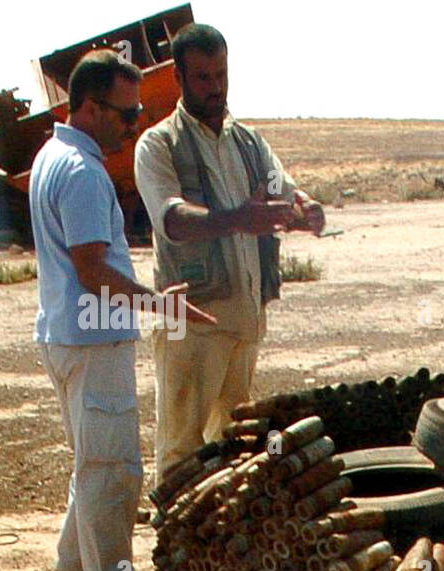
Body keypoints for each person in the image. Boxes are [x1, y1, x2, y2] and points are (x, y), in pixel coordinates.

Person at [30, 50, 213, 571]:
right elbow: (91, 270)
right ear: (88, 107)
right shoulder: (83, 172)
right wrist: (157, 304)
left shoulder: (52, 154)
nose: (133, 126)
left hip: (66, 336)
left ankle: (73, 565)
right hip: (93, 339)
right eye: (126, 114)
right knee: (112, 467)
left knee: (93, 455)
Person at [134, 23, 325, 481]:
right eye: (202, 77)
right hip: (193, 327)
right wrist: (240, 218)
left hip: (245, 323)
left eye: (221, 74)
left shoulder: (248, 142)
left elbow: (286, 190)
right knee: (181, 453)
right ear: (178, 78)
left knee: (236, 450)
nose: (215, 87)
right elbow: (173, 220)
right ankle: (175, 548)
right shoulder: (158, 145)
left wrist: (306, 209)